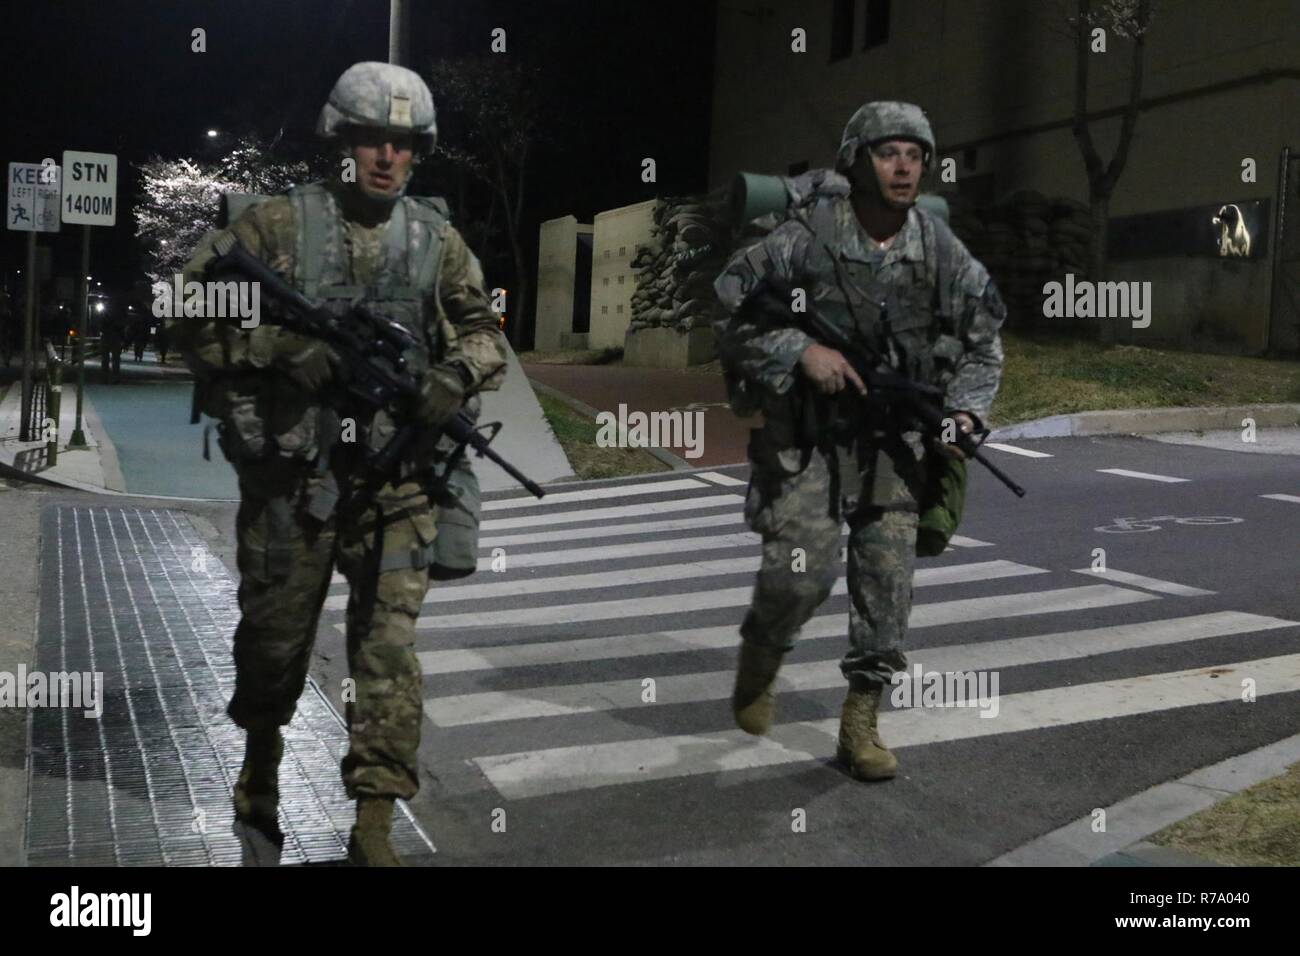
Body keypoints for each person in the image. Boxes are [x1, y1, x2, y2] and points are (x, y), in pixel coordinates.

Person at [172, 62, 507, 863]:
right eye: (370, 140)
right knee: (273, 645)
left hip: (397, 483)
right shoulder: (278, 228)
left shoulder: (436, 241)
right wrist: (281, 349)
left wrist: (453, 376)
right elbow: (186, 310)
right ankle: (260, 769)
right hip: (296, 484)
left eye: (401, 143)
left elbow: (485, 333)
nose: (386, 157)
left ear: (417, 152)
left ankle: (374, 823)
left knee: (387, 658)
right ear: (344, 142)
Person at [713, 101, 1005, 781]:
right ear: (857, 161)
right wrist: (797, 350)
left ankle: (860, 722)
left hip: (894, 442)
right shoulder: (808, 235)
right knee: (801, 573)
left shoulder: (936, 248)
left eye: (915, 155)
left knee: (887, 584)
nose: (903, 167)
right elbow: (730, 299)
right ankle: (763, 653)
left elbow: (984, 338)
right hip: (811, 436)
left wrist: (963, 413)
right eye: (887, 152)